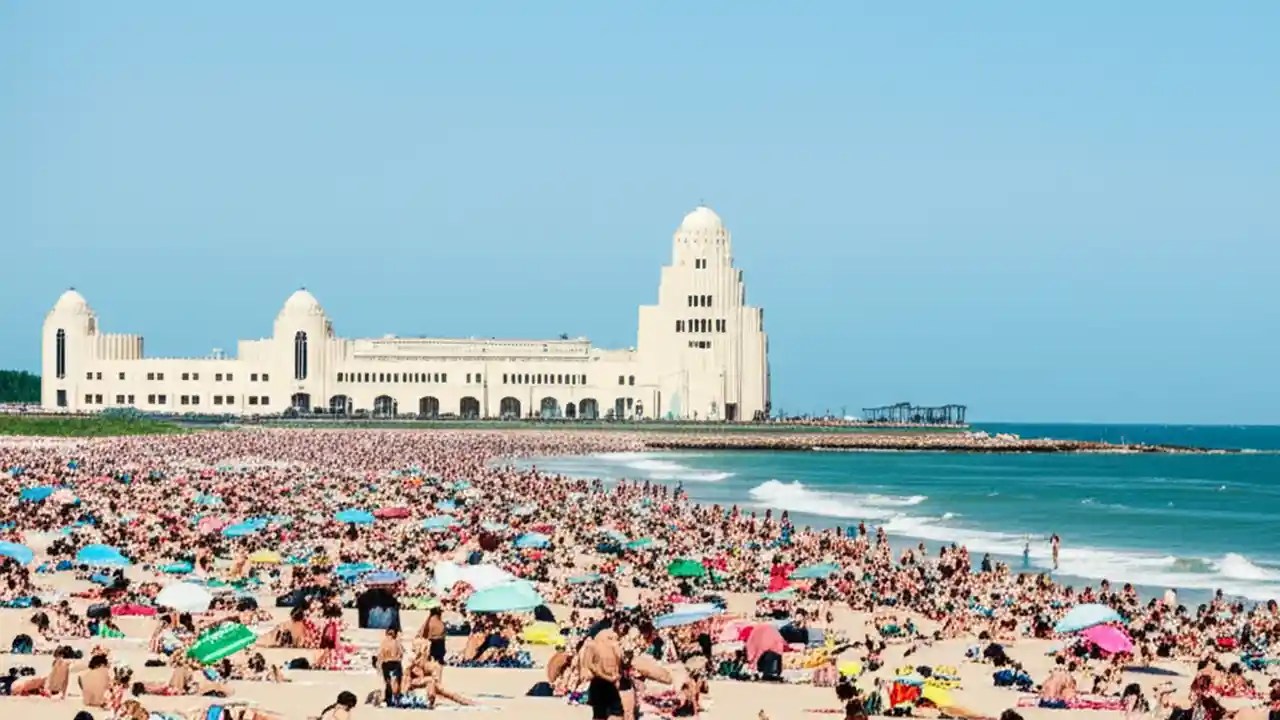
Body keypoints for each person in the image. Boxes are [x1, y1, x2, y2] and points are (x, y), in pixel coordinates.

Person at [377, 627, 404, 707]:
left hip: (386, 663)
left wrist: (379, 665)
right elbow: (401, 654)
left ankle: (389, 699)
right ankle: (396, 698)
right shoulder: (396, 642)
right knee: (396, 681)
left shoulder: (383, 642)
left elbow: (380, 655)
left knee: (388, 682)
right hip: (395, 662)